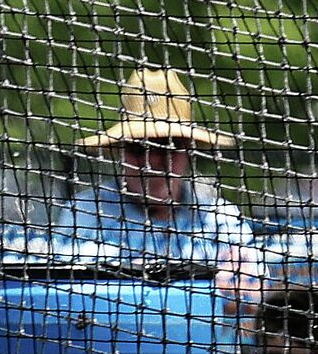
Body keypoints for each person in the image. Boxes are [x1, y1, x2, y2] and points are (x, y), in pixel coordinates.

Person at [56, 68, 260, 282]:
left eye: (166, 146)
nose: (151, 162)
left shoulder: (219, 219)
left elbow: (256, 299)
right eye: (138, 148)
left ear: (189, 150)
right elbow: (74, 295)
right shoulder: (87, 213)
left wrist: (236, 293)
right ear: (121, 152)